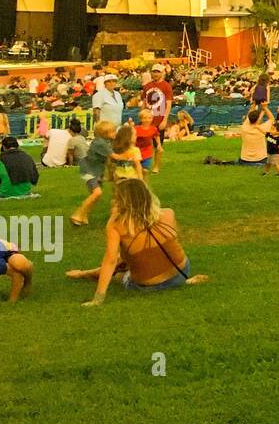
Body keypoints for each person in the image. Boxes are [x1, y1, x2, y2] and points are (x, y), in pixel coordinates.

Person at [66, 178, 208, 303]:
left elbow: (110, 261)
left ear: (124, 202)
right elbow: (168, 246)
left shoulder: (116, 225)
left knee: (119, 272)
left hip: (150, 285)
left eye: (116, 198)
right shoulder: (168, 213)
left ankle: (83, 274)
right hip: (182, 272)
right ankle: (185, 283)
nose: (112, 201)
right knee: (133, 256)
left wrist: (98, 298)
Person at [71, 120, 116, 226]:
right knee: (97, 193)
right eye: (113, 131)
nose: (115, 133)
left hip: (96, 171)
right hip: (89, 170)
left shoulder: (106, 142)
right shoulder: (100, 143)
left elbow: (109, 161)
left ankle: (84, 216)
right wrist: (128, 156)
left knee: (95, 195)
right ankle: (77, 214)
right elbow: (114, 157)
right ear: (105, 133)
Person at [139, 66, 173, 174]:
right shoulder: (147, 86)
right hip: (146, 119)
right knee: (143, 144)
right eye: (154, 72)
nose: (155, 74)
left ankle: (156, 166)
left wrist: (164, 120)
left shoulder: (166, 86)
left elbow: (168, 104)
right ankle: (142, 164)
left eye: (158, 72)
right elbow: (144, 102)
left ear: (162, 73)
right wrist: (142, 114)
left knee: (158, 145)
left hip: (159, 118)